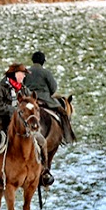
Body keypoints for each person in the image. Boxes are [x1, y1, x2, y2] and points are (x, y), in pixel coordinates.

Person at [24, 51, 68, 186]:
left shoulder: (26, 72)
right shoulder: (46, 73)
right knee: (63, 113)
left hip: (29, 101)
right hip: (45, 100)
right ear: (43, 61)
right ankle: (66, 135)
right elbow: (53, 88)